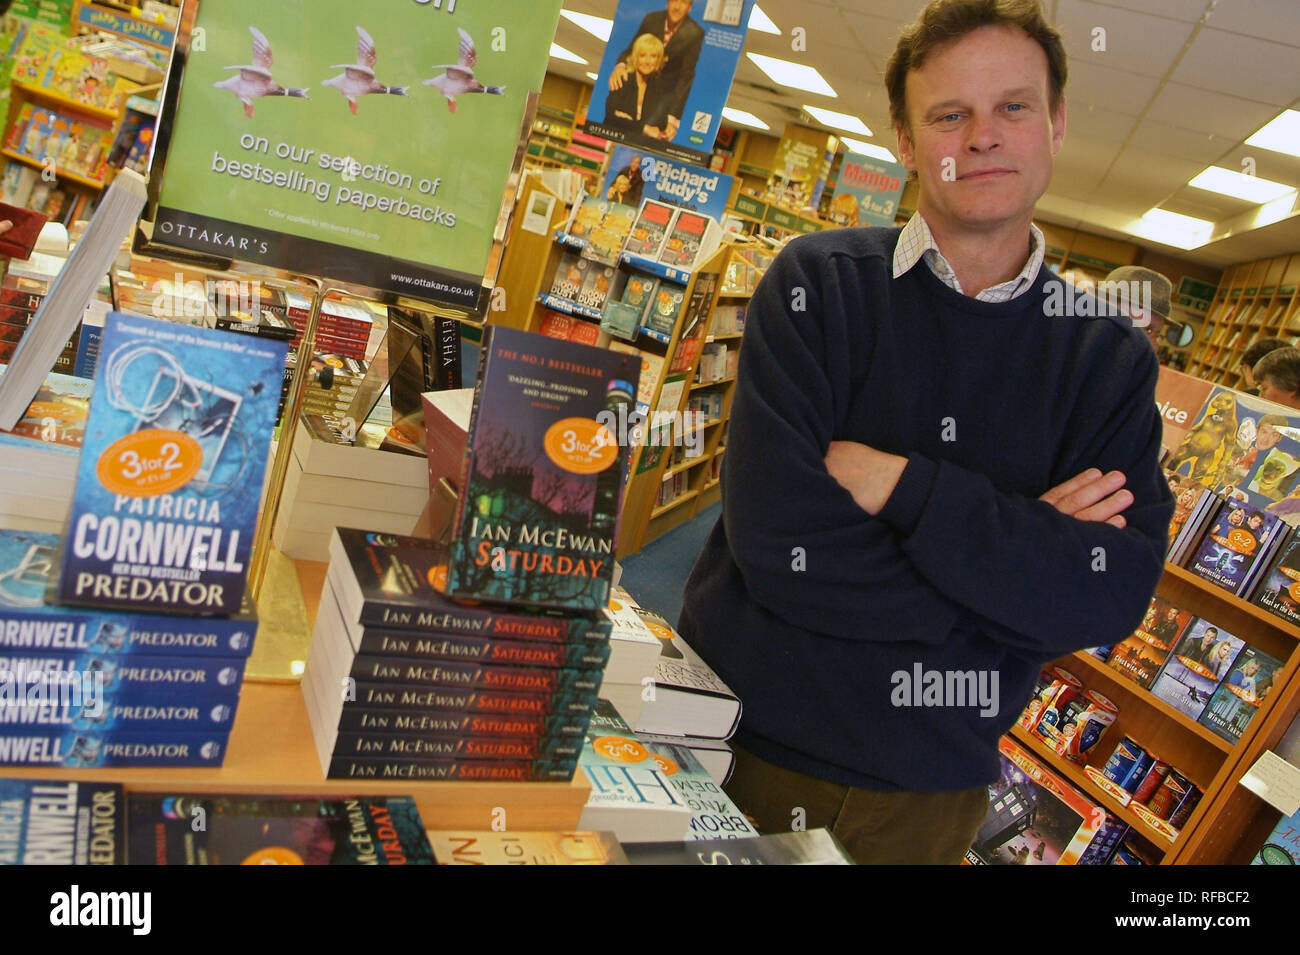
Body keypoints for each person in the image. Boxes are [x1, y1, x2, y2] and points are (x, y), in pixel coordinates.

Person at [677, 0, 1172, 865]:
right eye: (950, 113)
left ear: (1054, 122)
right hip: (730, 742)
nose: (982, 136)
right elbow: (781, 547)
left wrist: (906, 487)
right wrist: (1011, 580)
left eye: (1013, 106)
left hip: (923, 802)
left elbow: (1103, 595)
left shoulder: (1107, 359)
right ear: (906, 142)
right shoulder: (816, 287)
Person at [607, 0, 703, 142]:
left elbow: (686, 75)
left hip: (664, 93)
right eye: (674, 1)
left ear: (689, 8)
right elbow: (611, 118)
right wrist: (620, 66)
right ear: (667, 3)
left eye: (683, 2)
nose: (677, 7)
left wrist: (671, 120)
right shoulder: (651, 19)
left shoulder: (695, 33)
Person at [603, 35, 673, 140]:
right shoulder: (623, 79)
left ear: (658, 60)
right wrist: (644, 128)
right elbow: (611, 117)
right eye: (643, 55)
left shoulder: (659, 88)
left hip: (641, 147)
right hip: (612, 141)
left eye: (653, 56)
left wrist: (628, 122)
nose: (647, 61)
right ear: (636, 57)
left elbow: (661, 124)